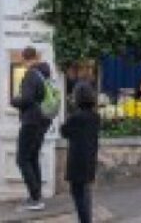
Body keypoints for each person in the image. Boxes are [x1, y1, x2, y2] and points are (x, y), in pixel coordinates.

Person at [11, 46, 52, 211]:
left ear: (24, 58)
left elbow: (26, 99)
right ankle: (36, 196)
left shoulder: (30, 74)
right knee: (33, 158)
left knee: (22, 159)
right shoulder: (42, 74)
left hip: (31, 122)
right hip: (41, 122)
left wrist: (15, 101)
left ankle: (35, 199)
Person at [60, 80, 100, 223]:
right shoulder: (95, 116)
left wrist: (70, 112)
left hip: (77, 160)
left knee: (77, 193)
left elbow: (64, 132)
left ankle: (85, 220)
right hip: (90, 158)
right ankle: (86, 219)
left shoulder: (75, 117)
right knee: (86, 192)